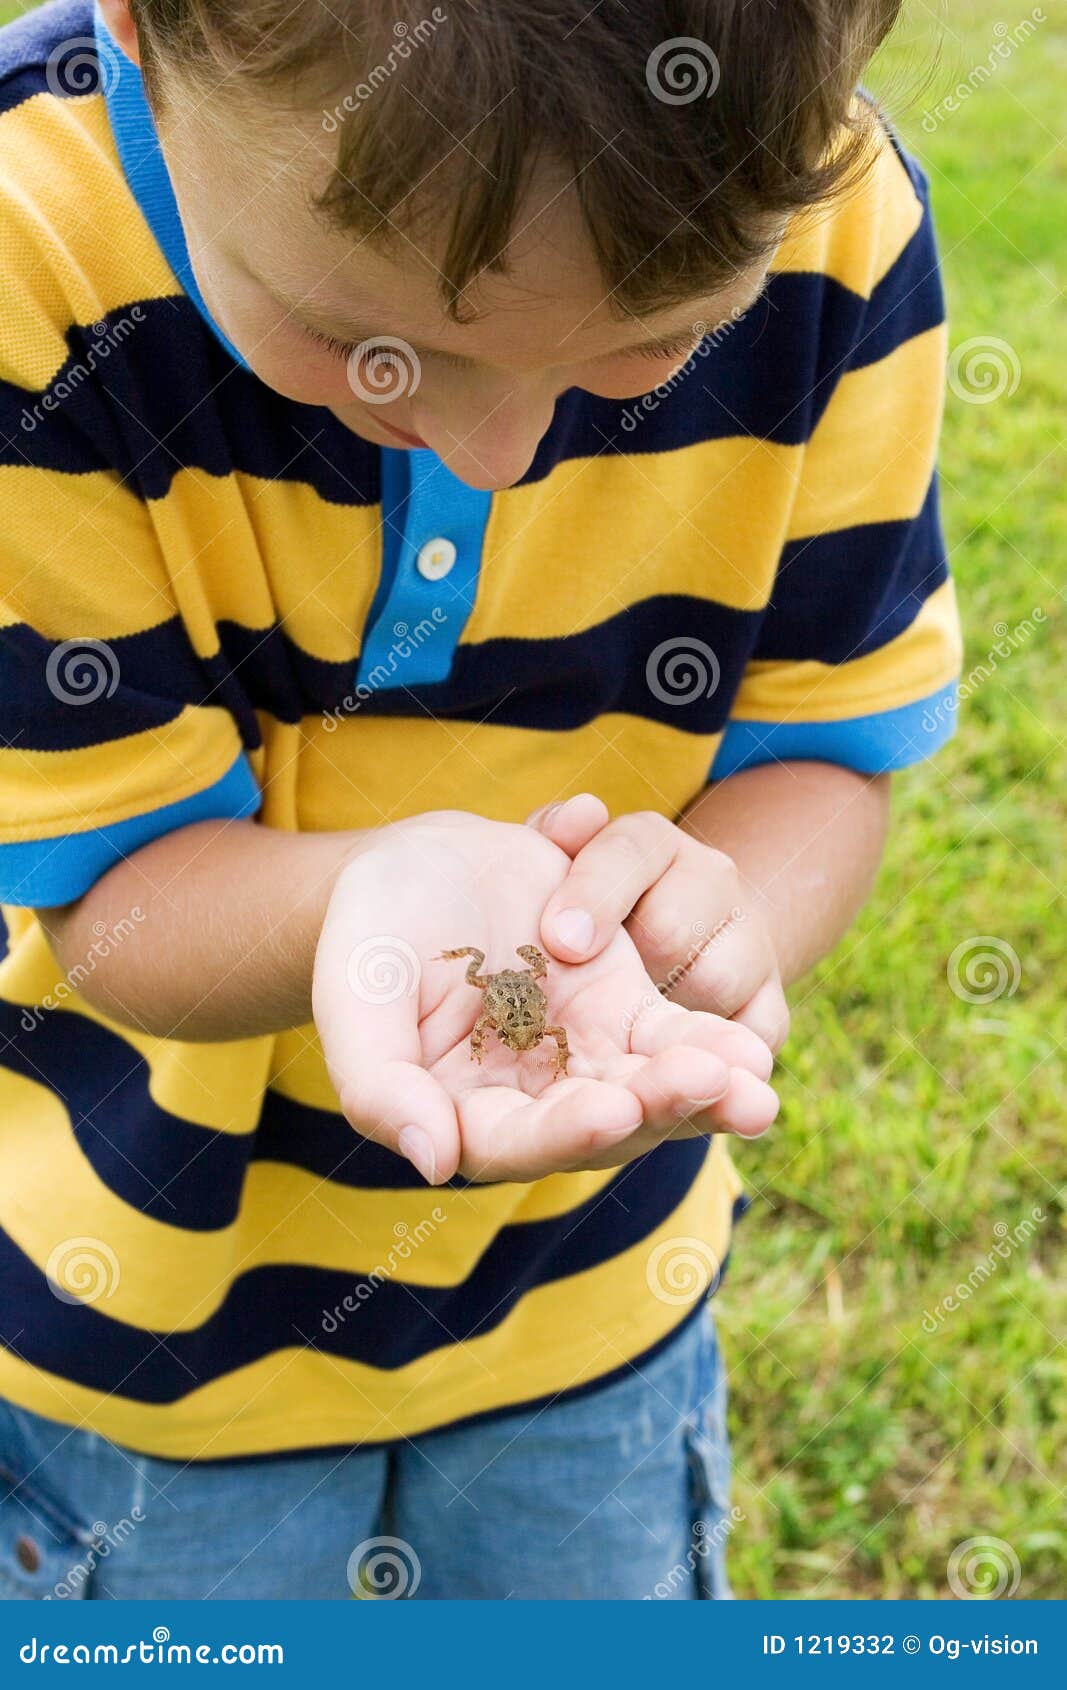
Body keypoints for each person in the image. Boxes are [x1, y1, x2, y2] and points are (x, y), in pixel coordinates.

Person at [0, 0, 961, 1599]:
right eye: (370, 342)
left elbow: (821, 743)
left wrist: (704, 928)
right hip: (144, 1349)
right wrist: (355, 902)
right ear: (148, 34)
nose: (497, 448)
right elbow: (106, 890)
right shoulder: (34, 262)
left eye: (655, 340)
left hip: (592, 1303)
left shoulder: (838, 234)